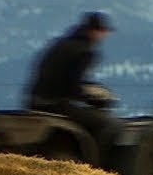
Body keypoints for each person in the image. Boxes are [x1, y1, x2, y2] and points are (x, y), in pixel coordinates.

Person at [23, 11, 119, 155]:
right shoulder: (85, 51)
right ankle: (97, 163)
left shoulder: (60, 44)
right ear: (95, 31)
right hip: (55, 105)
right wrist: (94, 97)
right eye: (103, 31)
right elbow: (72, 86)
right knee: (109, 124)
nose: (104, 36)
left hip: (34, 102)